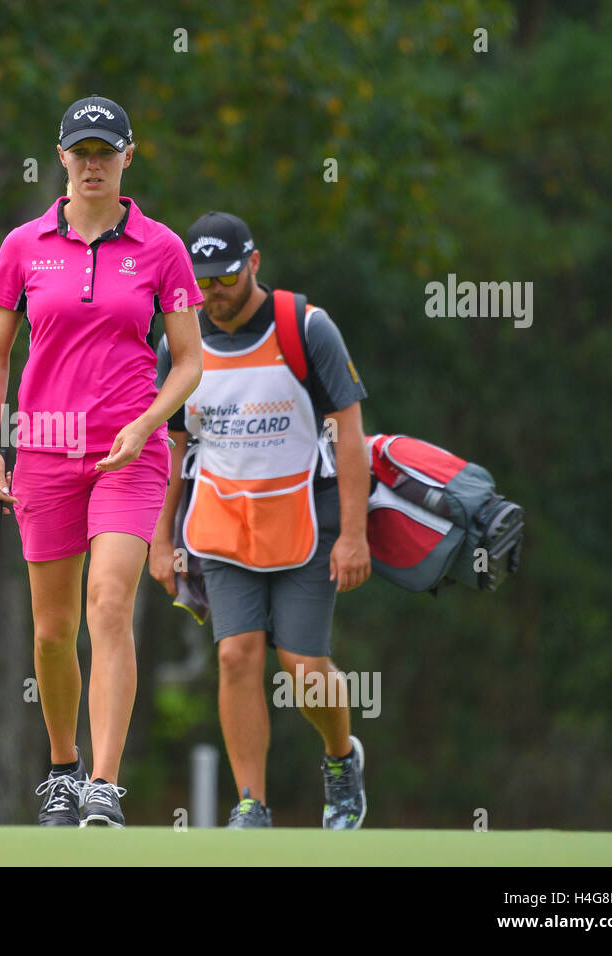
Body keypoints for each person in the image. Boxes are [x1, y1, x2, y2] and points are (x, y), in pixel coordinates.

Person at [0, 96, 203, 827]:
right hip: (43, 451)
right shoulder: (23, 246)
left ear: (128, 157)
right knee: (50, 631)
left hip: (127, 453)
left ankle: (104, 785)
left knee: (108, 604)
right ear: (62, 158)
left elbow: (191, 362)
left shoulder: (161, 249)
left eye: (107, 151)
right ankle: (64, 769)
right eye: (83, 151)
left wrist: (147, 427)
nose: (94, 163)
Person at [150, 211, 372, 829]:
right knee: (236, 657)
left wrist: (353, 534)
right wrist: (160, 538)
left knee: (301, 668)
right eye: (202, 282)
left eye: (224, 278)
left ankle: (339, 760)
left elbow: (350, 433)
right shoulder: (180, 341)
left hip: (306, 514)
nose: (213, 293)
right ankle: (251, 803)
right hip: (222, 519)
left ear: (253, 264)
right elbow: (171, 445)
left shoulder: (306, 328)